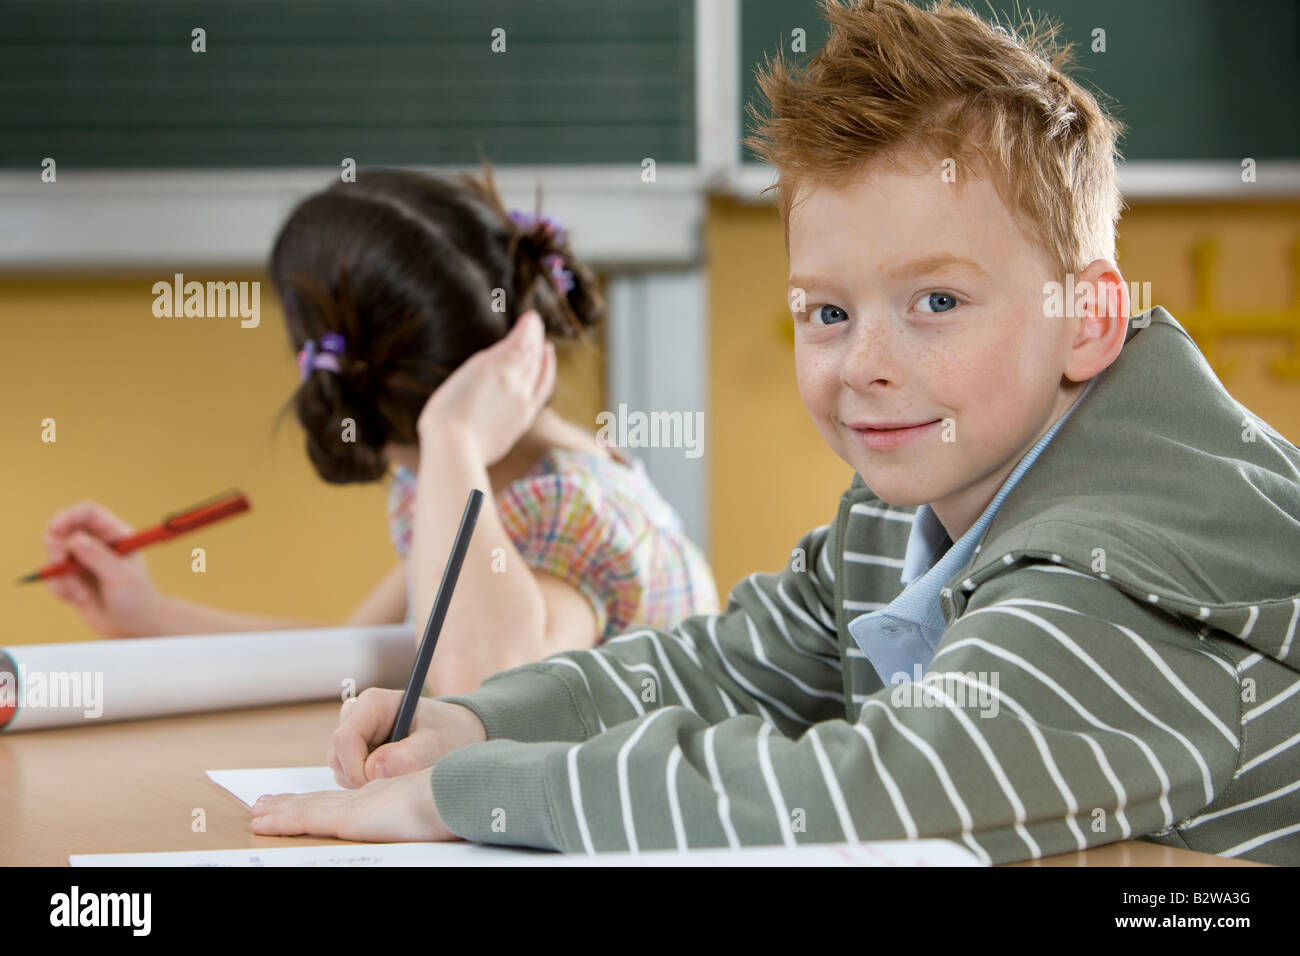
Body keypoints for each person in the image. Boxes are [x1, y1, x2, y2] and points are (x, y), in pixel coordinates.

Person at [249, 0, 1300, 863]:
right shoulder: (907, 512)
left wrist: (473, 791)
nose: (864, 363)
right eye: (827, 312)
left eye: (936, 300)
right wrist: (482, 721)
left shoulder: (1128, 567)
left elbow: (870, 789)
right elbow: (721, 667)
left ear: (1090, 318)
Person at [41, 164, 720, 698]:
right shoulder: (455, 483)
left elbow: (483, 690)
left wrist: (452, 436)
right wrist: (147, 615)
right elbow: (357, 660)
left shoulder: (564, 510)